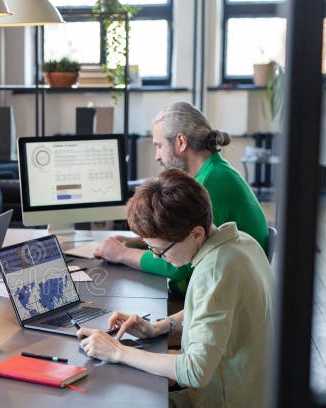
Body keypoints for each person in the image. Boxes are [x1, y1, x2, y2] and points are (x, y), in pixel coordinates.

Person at [19, 169, 274, 408]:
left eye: (160, 249)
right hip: (256, 403)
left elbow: (194, 371)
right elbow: (211, 307)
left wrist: (119, 352)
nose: (159, 257)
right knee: (123, 401)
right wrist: (160, 327)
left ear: (196, 233)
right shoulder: (239, 243)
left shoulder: (214, 269)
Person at [96, 102, 268, 295]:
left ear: (181, 142)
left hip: (224, 292)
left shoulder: (213, 182)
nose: (157, 156)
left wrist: (121, 254)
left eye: (159, 146)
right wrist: (141, 241)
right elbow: (183, 236)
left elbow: (179, 266)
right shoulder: (213, 171)